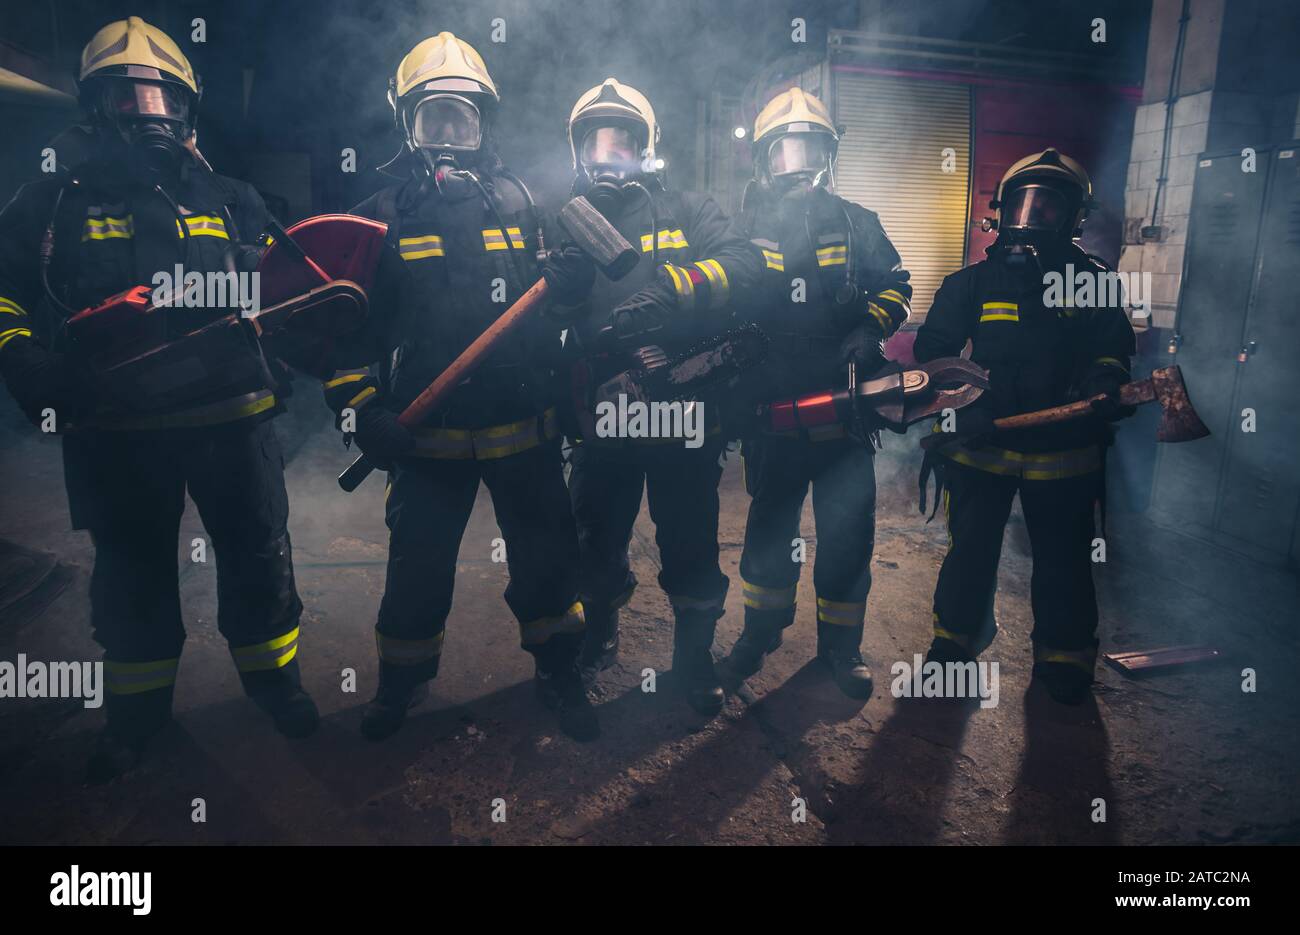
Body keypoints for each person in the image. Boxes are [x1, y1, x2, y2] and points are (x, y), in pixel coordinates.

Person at [0, 16, 316, 782]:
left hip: (232, 425)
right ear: (94, 106)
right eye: (126, 94)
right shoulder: (51, 201)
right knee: (132, 577)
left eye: (161, 96)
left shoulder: (234, 195)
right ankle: (136, 716)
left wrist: (294, 363)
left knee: (258, 561)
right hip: (117, 434)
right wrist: (28, 365)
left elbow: (297, 291)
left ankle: (274, 683)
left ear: (187, 107)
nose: (147, 112)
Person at [323, 32, 597, 741]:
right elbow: (344, 336)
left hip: (523, 428)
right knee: (417, 572)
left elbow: (549, 317)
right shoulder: (378, 213)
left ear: (484, 125)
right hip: (425, 435)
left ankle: (561, 671)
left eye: (462, 116)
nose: (448, 131)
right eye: (432, 116)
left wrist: (569, 293)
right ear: (407, 125)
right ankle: (400, 684)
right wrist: (364, 411)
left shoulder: (523, 203)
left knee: (544, 564)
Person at [554, 78, 761, 716]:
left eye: (624, 140)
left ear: (646, 150)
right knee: (595, 537)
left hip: (680, 406)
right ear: (579, 153)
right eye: (597, 141)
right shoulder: (562, 222)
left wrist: (675, 289)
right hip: (600, 413)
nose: (610, 152)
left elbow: (745, 266)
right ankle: (598, 631)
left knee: (691, 541)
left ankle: (692, 659)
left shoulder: (692, 211)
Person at [913, 148, 1137, 704]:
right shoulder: (969, 284)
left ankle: (1064, 660)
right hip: (982, 447)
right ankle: (954, 647)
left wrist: (1104, 387)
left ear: (1073, 220)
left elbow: (1111, 352)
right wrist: (967, 407)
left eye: (1047, 208)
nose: (1030, 220)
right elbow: (933, 358)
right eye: (1022, 205)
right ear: (1001, 210)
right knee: (970, 554)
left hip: (1064, 453)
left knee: (1063, 560)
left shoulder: (1095, 285)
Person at [721, 88, 912, 698]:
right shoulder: (744, 229)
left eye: (809, 149)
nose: (797, 163)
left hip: (846, 415)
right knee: (770, 534)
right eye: (784, 151)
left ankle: (841, 648)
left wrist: (868, 329)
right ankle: (760, 631)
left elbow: (896, 287)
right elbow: (727, 306)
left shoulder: (860, 223)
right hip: (773, 418)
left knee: (847, 535)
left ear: (828, 156)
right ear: (764, 160)